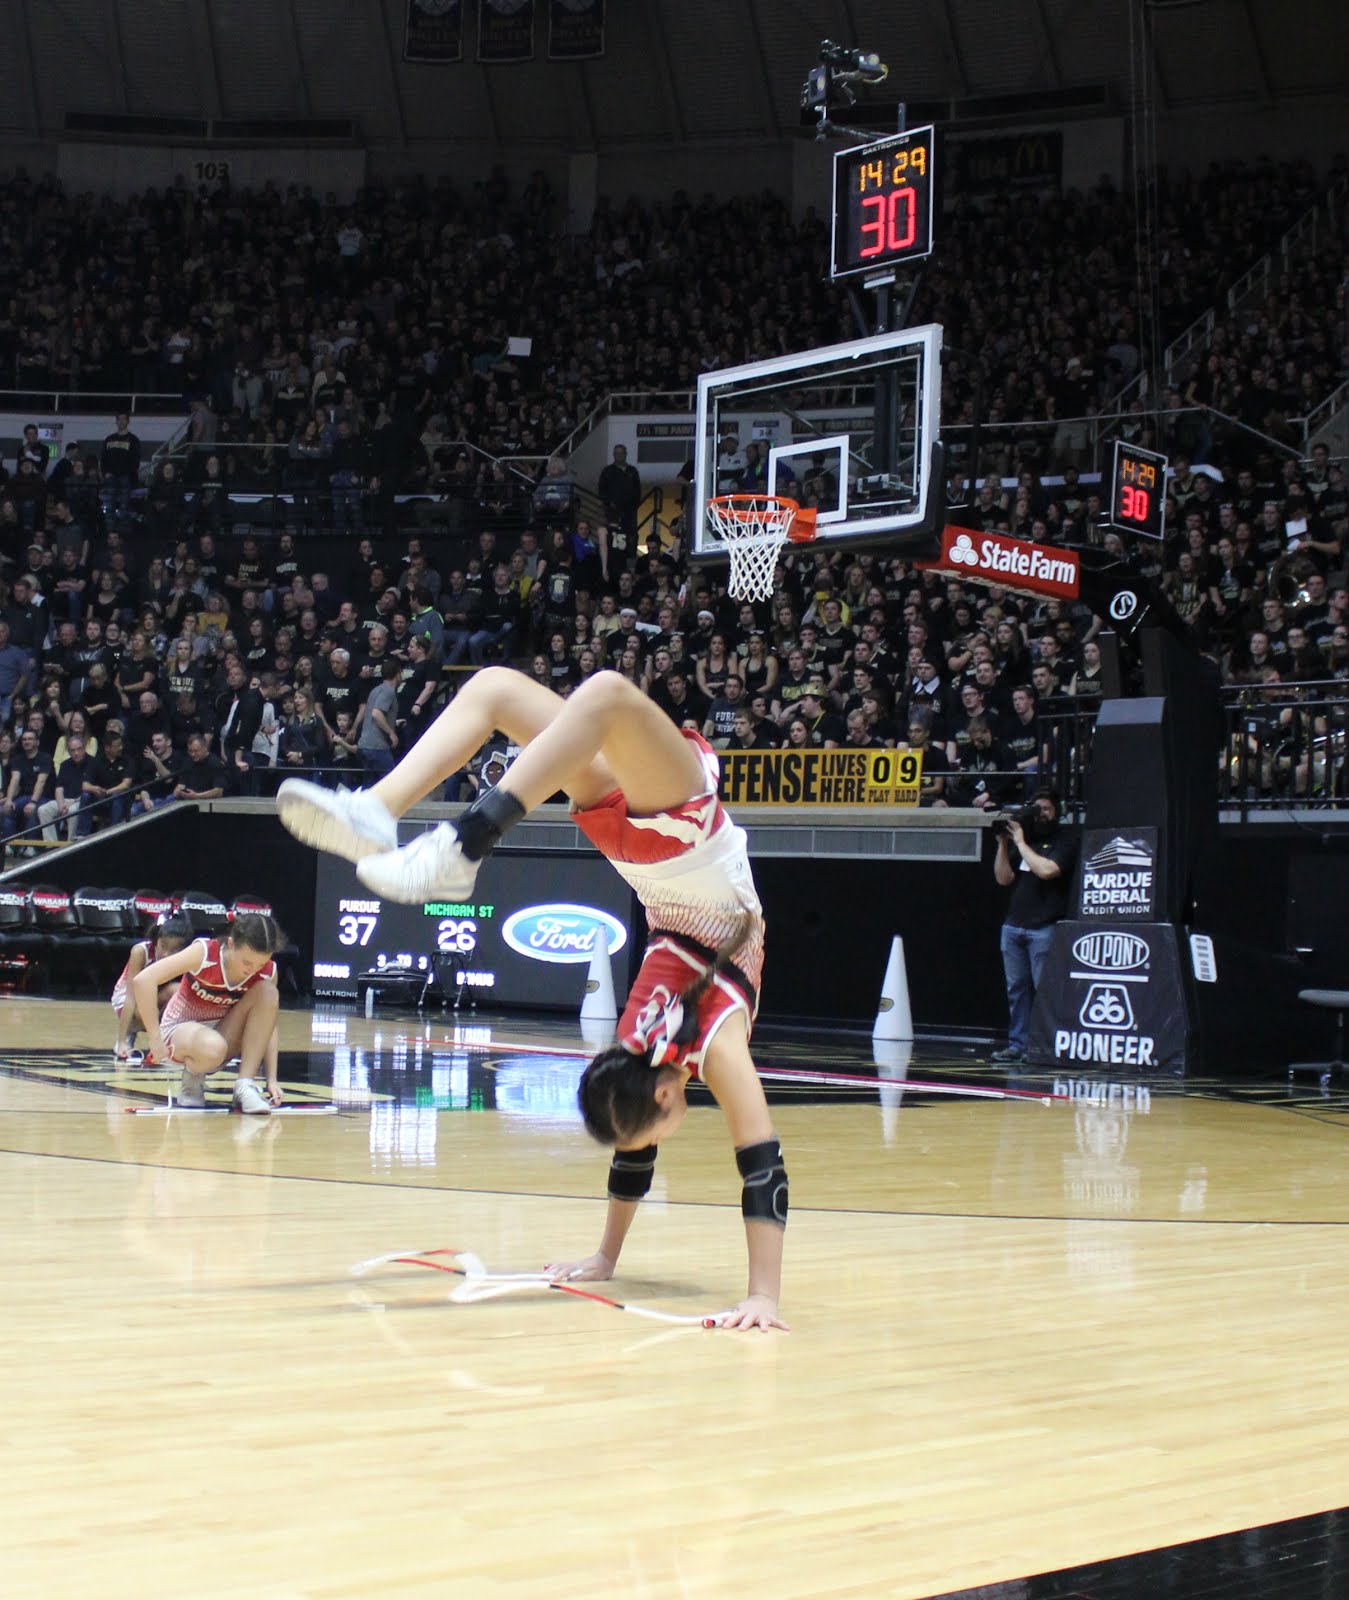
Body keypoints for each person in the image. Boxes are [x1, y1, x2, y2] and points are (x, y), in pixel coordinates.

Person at [276, 667, 788, 1331]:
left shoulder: (679, 1050)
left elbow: (752, 1160)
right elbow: (741, 1162)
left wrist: (617, 1259)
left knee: (561, 693)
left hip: (679, 854)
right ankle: (425, 827)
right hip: (658, 858)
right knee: (530, 692)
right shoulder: (656, 1048)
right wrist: (748, 1294)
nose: (647, 1148)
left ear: (661, 1093)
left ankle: (401, 817)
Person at [131, 912, 286, 1114]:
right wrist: (154, 1038)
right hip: (180, 1033)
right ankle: (192, 1078)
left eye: (260, 964)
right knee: (212, 1046)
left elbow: (268, 1024)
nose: (252, 970)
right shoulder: (204, 952)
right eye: (247, 962)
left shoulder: (267, 972)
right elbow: (143, 980)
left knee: (268, 992)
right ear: (231, 943)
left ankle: (245, 1085)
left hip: (223, 1036)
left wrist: (272, 1079)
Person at [991, 788, 1078, 1064]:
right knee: (1016, 990)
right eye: (1037, 809)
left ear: (1057, 811)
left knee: (1044, 989)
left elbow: (1047, 870)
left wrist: (1020, 842)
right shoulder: (1026, 840)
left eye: (1046, 809)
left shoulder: (1065, 838)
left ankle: (1045, 1045)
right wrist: (1003, 844)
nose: (1041, 814)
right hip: (1014, 925)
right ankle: (1018, 1044)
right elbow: (1003, 879)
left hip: (1044, 926)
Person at [111, 915, 190, 1061]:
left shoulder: (188, 957)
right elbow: (130, 998)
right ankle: (129, 1033)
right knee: (148, 1007)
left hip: (156, 995)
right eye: (163, 946)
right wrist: (121, 1041)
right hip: (128, 1000)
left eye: (174, 950)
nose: (166, 954)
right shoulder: (140, 952)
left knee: (178, 990)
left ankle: (170, 1041)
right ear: (156, 940)